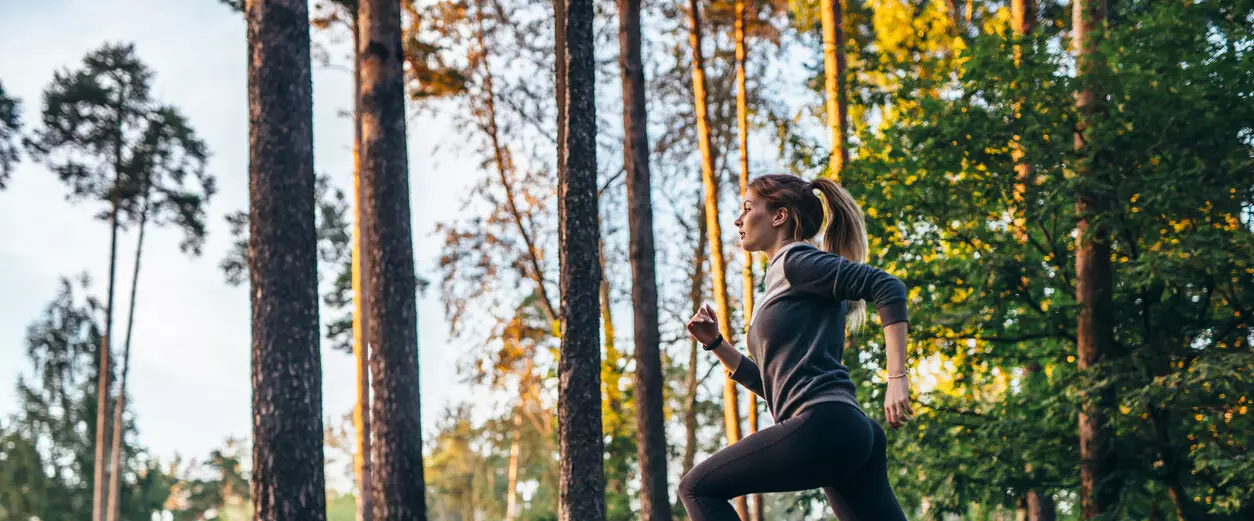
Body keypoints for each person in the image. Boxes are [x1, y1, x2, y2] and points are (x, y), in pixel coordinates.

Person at [681, 173, 914, 521]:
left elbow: (886, 286)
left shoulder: (797, 261)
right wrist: (716, 344)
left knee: (697, 488)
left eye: (748, 208)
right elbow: (775, 385)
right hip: (847, 430)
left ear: (779, 216)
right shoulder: (781, 278)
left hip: (824, 423)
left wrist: (897, 377)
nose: (738, 219)